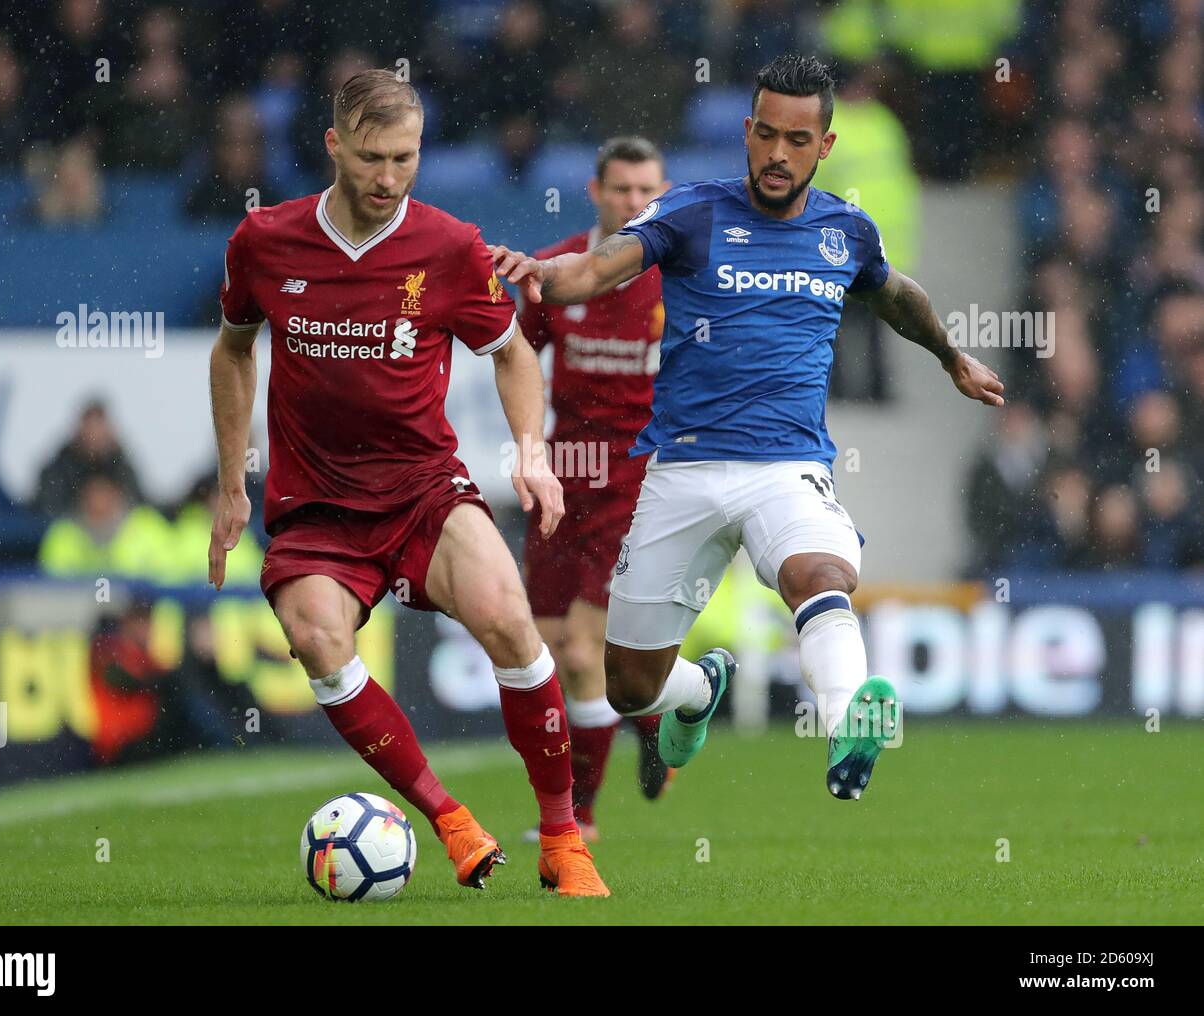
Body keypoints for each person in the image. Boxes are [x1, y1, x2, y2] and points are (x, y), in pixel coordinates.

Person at [491, 55, 1004, 800]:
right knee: (629, 685)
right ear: (746, 131)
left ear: (824, 145)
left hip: (787, 468)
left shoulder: (846, 232)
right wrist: (545, 274)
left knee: (820, 578)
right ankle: (699, 690)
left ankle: (847, 726)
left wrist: (951, 356)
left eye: (797, 140)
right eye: (766, 134)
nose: (777, 154)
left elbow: (896, 294)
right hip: (684, 470)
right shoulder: (692, 213)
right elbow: (598, 268)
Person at [208, 69, 608, 896]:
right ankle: (449, 820)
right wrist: (230, 482)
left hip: (424, 491)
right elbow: (233, 350)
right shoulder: (264, 241)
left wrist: (531, 452)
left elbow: (511, 353)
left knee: (510, 619)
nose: (389, 178)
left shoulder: (450, 246)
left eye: (405, 158)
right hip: (317, 507)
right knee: (318, 639)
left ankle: (564, 839)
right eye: (371, 158)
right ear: (333, 146)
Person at [519, 136, 671, 843]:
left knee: (582, 653)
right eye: (621, 189)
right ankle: (649, 715)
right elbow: (515, 357)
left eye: (647, 191)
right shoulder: (557, 270)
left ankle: (576, 820)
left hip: (635, 484)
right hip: (562, 480)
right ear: (596, 192)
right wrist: (527, 449)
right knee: (552, 653)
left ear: (662, 194)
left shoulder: (676, 277)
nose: (634, 202)